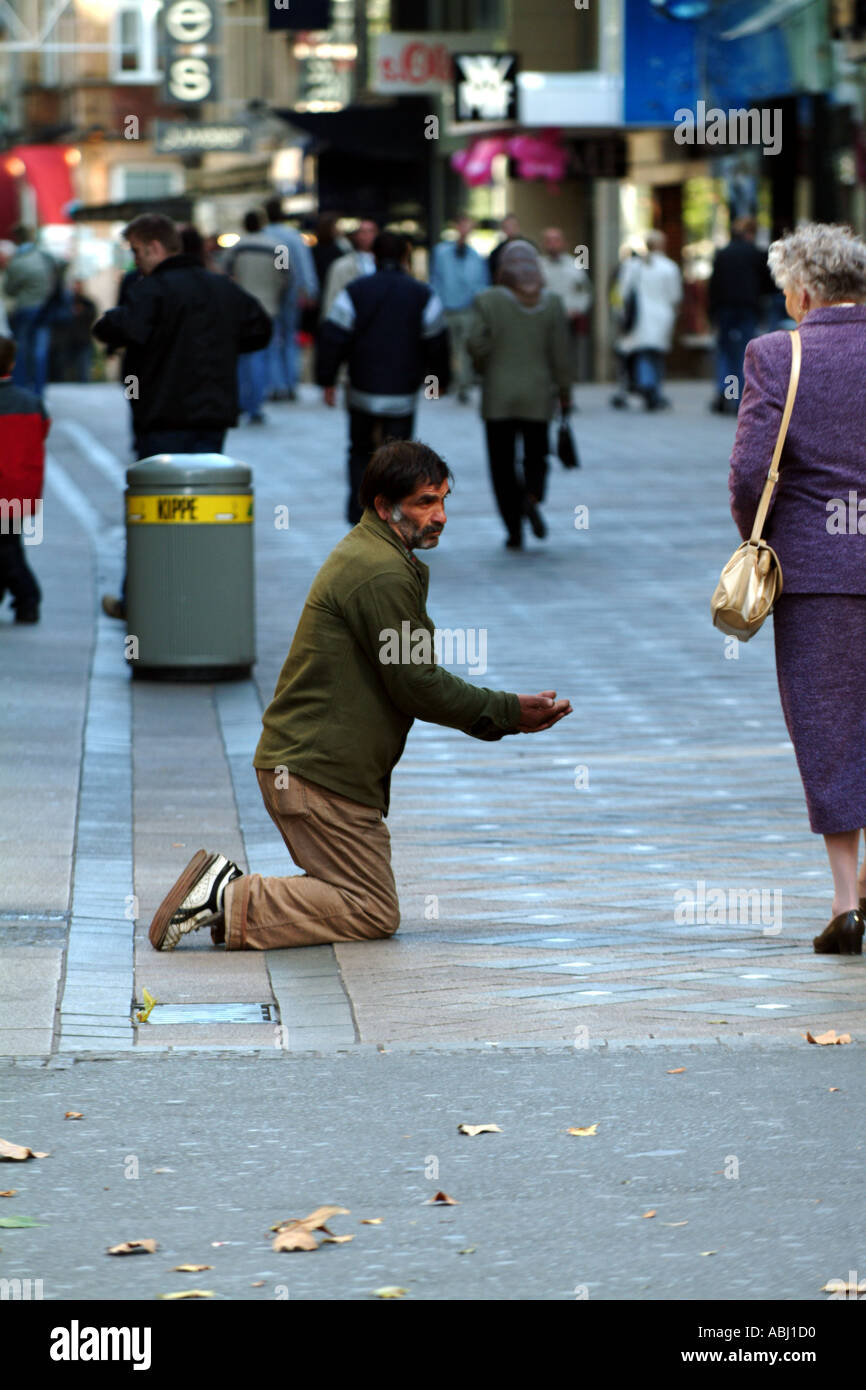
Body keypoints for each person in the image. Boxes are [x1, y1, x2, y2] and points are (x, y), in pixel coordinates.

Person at [148, 439, 573, 952]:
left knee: (365, 902)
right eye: (424, 502)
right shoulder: (381, 572)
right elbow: (417, 683)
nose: (439, 516)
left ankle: (225, 902)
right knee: (370, 908)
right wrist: (506, 712)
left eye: (443, 500)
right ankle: (227, 894)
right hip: (315, 776)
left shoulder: (380, 556)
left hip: (320, 770)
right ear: (383, 506)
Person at [728, 222, 866, 956]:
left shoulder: (780, 355)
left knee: (830, 727)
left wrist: (758, 534)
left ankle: (847, 902)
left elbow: (752, 470)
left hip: (817, 575)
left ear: (803, 290)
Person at [92, 212, 272, 619]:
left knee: (153, 514)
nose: (135, 261)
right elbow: (260, 328)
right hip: (211, 419)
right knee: (204, 508)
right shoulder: (221, 288)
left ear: (155, 247)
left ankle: (139, 599)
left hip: (162, 419)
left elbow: (127, 329)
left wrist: (109, 325)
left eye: (137, 251)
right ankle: (198, 594)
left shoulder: (151, 290)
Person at [316, 230, 450, 526]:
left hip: (363, 387)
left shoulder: (356, 291)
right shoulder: (422, 293)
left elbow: (333, 336)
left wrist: (327, 379)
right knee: (402, 458)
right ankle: (397, 517)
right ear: (405, 256)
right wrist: (439, 379)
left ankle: (359, 514)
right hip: (402, 391)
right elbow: (437, 339)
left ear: (373, 256)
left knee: (361, 451)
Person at [468, 240, 572, 549]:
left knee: (501, 464)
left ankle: (513, 528)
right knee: (536, 456)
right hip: (538, 396)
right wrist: (564, 393)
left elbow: (474, 343)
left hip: (497, 397)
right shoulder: (552, 303)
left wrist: (486, 361)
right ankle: (531, 496)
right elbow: (561, 355)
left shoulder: (487, 300)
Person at [0, 335, 49, 623]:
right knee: (8, 541)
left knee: (6, 548)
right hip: (20, 486)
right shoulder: (32, 403)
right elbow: (42, 432)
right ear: (13, 363)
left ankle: (27, 596)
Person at [224, 209, 289, 424]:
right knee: (263, 357)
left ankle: (242, 401)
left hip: (242, 309)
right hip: (269, 308)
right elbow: (286, 277)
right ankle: (257, 404)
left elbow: (226, 274)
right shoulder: (278, 246)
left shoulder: (237, 247)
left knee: (242, 358)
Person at [708, 216, 774, 414]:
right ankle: (736, 398)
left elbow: (714, 285)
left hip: (725, 308)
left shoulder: (723, 254)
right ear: (750, 233)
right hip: (748, 308)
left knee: (726, 351)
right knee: (744, 353)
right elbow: (767, 285)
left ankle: (726, 392)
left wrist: (711, 313)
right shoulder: (757, 254)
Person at [614, 230, 682, 411]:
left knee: (644, 352)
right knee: (656, 354)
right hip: (662, 316)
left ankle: (648, 385)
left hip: (640, 317)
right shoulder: (670, 267)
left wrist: (620, 314)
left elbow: (622, 292)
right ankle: (652, 388)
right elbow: (675, 296)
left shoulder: (633, 266)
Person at [262, 195, 319, 402]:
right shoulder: (293, 236)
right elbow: (303, 264)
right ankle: (289, 383)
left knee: (273, 339)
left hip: (270, 294)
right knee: (290, 338)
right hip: (291, 292)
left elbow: (282, 266)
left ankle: (277, 385)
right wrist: (309, 290)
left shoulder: (265, 235)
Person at [430, 214, 489, 403]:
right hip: (446, 309)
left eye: (468, 226)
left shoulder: (476, 257)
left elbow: (482, 284)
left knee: (464, 349)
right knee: (447, 348)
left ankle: (463, 384)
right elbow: (435, 280)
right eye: (462, 225)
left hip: (468, 310)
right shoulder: (441, 253)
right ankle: (447, 383)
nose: (465, 230)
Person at [2, 226, 55, 398]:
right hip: (44, 309)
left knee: (20, 350)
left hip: (24, 308)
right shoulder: (44, 258)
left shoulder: (17, 262)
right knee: (40, 352)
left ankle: (21, 390)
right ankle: (39, 392)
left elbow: (9, 289)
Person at [539, 226, 593, 386]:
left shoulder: (575, 266)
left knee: (565, 358)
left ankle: (565, 392)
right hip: (544, 320)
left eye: (556, 240)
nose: (552, 245)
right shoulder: (538, 266)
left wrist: (577, 310)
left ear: (563, 243)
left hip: (567, 321)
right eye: (548, 241)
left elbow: (585, 292)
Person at [319, 218, 378, 320]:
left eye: (370, 232)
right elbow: (332, 296)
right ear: (356, 236)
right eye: (362, 232)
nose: (366, 236)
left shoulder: (385, 265)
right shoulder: (341, 265)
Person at [62, 279, 98, 382]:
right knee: (67, 373)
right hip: (68, 341)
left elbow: (92, 316)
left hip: (84, 340)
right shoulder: (67, 304)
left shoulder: (88, 304)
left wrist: (81, 312)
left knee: (83, 371)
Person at [488, 213, 525, 282]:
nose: (511, 229)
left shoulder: (528, 247)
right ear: (503, 229)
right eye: (507, 227)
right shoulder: (496, 252)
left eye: (513, 226)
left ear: (518, 227)